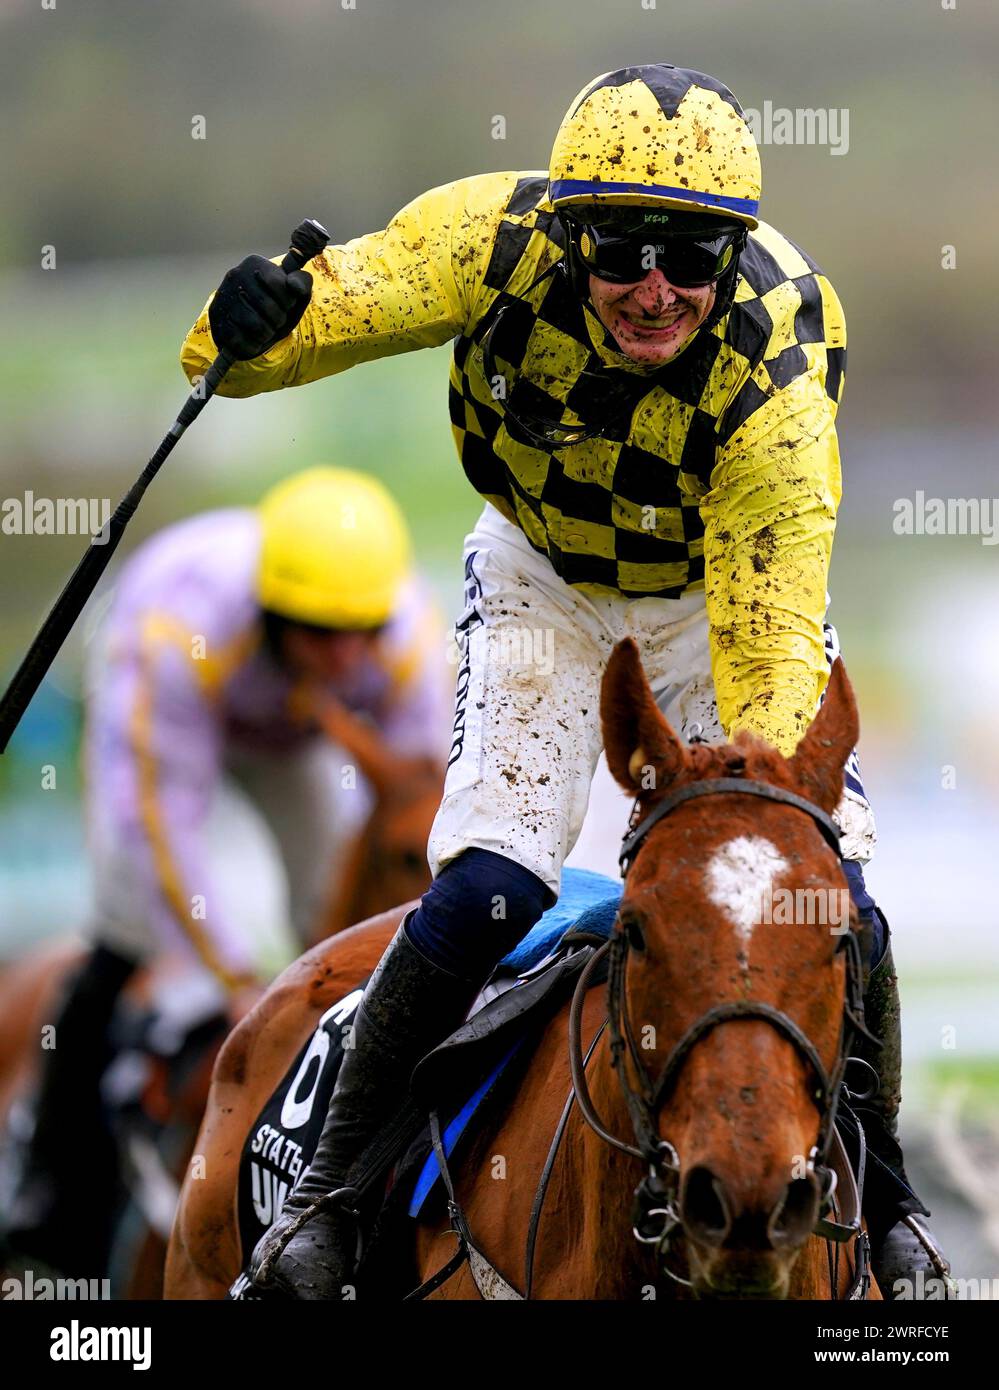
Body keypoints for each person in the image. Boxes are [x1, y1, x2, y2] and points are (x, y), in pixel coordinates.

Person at [181, 64, 950, 1299]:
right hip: (542, 576)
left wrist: (749, 828)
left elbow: (765, 639)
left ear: (731, 261)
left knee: (819, 884)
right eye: (622, 246)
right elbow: (351, 296)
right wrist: (245, 332)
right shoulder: (492, 238)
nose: (655, 287)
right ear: (565, 230)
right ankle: (324, 1204)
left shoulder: (781, 372)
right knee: (491, 887)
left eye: (692, 258)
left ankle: (896, 1208)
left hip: (718, 595)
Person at [3, 466, 449, 1276]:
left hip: (294, 736)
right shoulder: (177, 637)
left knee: (341, 919)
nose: (348, 660)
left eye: (362, 635)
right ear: (270, 616)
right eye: (320, 634)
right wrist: (237, 981)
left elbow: (421, 803)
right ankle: (43, 1177)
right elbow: (164, 841)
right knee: (134, 923)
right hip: (173, 714)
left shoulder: (412, 642)